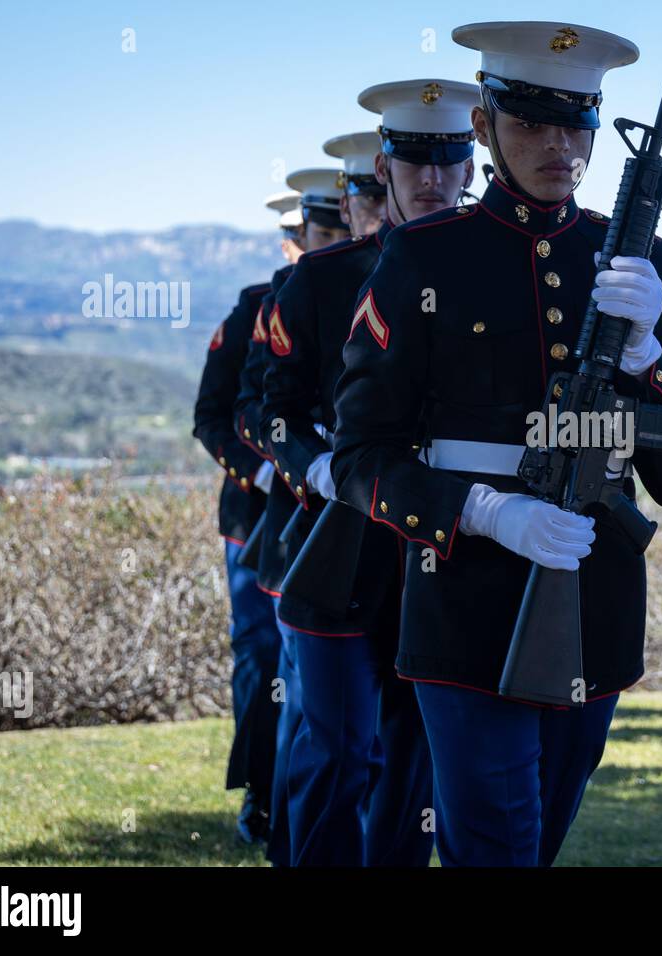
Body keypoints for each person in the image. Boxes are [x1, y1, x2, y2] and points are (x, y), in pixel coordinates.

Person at [330, 21, 662, 867]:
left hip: (592, 599)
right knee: (494, 845)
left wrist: (648, 354)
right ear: (483, 127)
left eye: (578, 123)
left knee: (537, 843)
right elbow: (360, 457)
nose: (559, 146)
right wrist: (486, 513)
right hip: (462, 596)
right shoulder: (423, 258)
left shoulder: (648, 262)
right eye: (532, 122)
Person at [264, 85, 477, 867]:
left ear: (472, 164)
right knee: (341, 753)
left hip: (444, 552)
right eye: (417, 157)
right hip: (340, 544)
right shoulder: (319, 280)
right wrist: (317, 467)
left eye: (452, 156)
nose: (434, 175)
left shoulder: (488, 273)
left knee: (413, 770)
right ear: (384, 166)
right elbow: (271, 410)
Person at [230, 172, 349, 863]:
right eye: (322, 233)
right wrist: (277, 465)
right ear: (297, 238)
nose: (332, 242)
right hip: (278, 520)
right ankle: (266, 802)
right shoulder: (264, 303)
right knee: (270, 668)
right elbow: (232, 412)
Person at [190, 193, 298, 844]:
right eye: (296, 233)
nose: (301, 243)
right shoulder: (252, 306)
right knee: (261, 654)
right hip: (254, 519)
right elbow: (211, 416)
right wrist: (261, 474)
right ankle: (262, 792)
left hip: (326, 516)